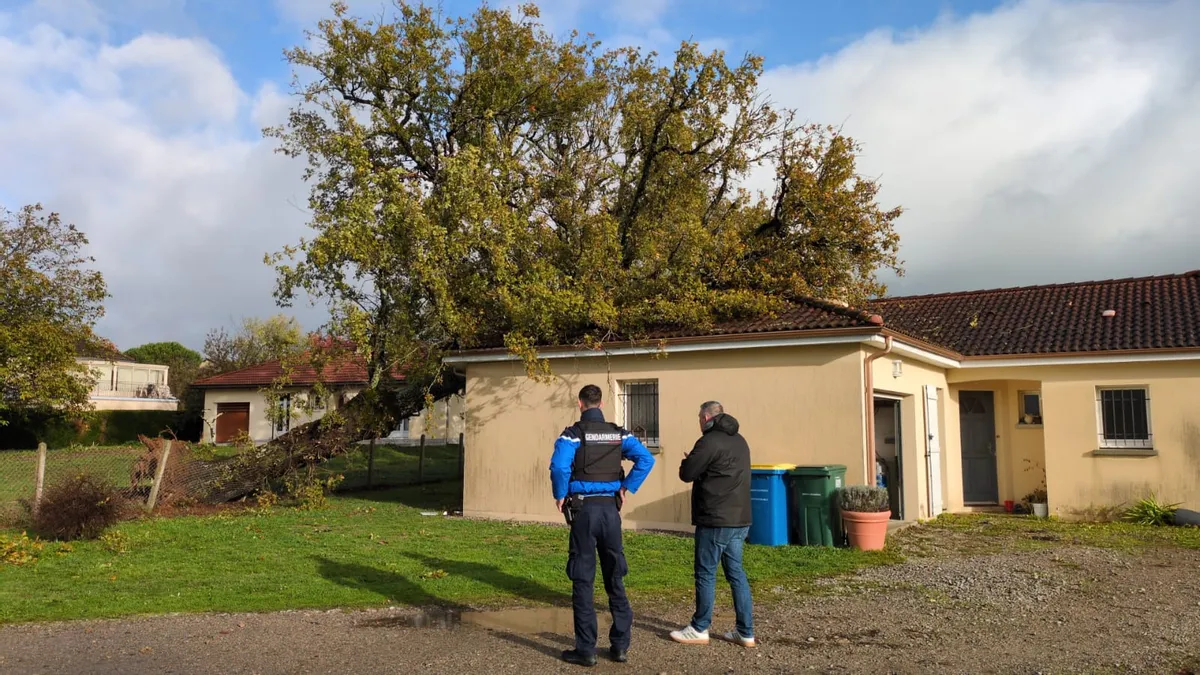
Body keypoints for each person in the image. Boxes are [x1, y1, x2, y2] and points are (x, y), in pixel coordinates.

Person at [550, 384, 656, 667]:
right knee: (615, 576)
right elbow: (646, 459)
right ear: (603, 403)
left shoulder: (571, 435)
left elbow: (560, 468)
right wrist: (626, 488)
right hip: (610, 511)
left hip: (583, 511)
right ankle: (619, 646)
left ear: (580, 403)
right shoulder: (619, 434)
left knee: (583, 578)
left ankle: (586, 650)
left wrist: (560, 495)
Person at [670, 400, 756, 648]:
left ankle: (699, 628)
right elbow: (721, 472)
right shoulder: (740, 440)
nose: (698, 422)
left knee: (706, 573)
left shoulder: (708, 441)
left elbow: (687, 473)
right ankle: (745, 631)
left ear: (707, 418)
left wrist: (689, 462)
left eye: (699, 417)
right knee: (736, 573)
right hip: (740, 519)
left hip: (715, 518)